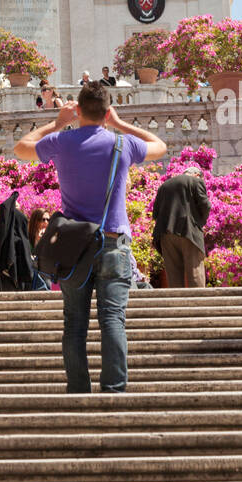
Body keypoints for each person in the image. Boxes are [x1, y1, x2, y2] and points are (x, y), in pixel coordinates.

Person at [13, 83, 166, 394]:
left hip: (74, 246)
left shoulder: (62, 140)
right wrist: (119, 123)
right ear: (107, 112)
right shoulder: (124, 144)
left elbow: (21, 147)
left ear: (78, 110)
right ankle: (114, 391)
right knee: (113, 320)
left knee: (74, 323)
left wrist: (57, 122)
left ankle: (79, 391)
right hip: (113, 243)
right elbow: (159, 145)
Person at [151, 164, 211, 288]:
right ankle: (199, 304)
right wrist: (200, 223)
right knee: (195, 272)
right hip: (189, 231)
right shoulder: (196, 181)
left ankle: (176, 305)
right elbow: (205, 205)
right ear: (197, 175)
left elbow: (155, 213)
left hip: (165, 234)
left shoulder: (164, 186)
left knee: (173, 275)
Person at [27, 208, 51, 291]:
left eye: (48, 220)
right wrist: (38, 240)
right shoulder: (27, 239)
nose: (46, 223)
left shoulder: (52, 238)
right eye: (43, 220)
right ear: (35, 221)